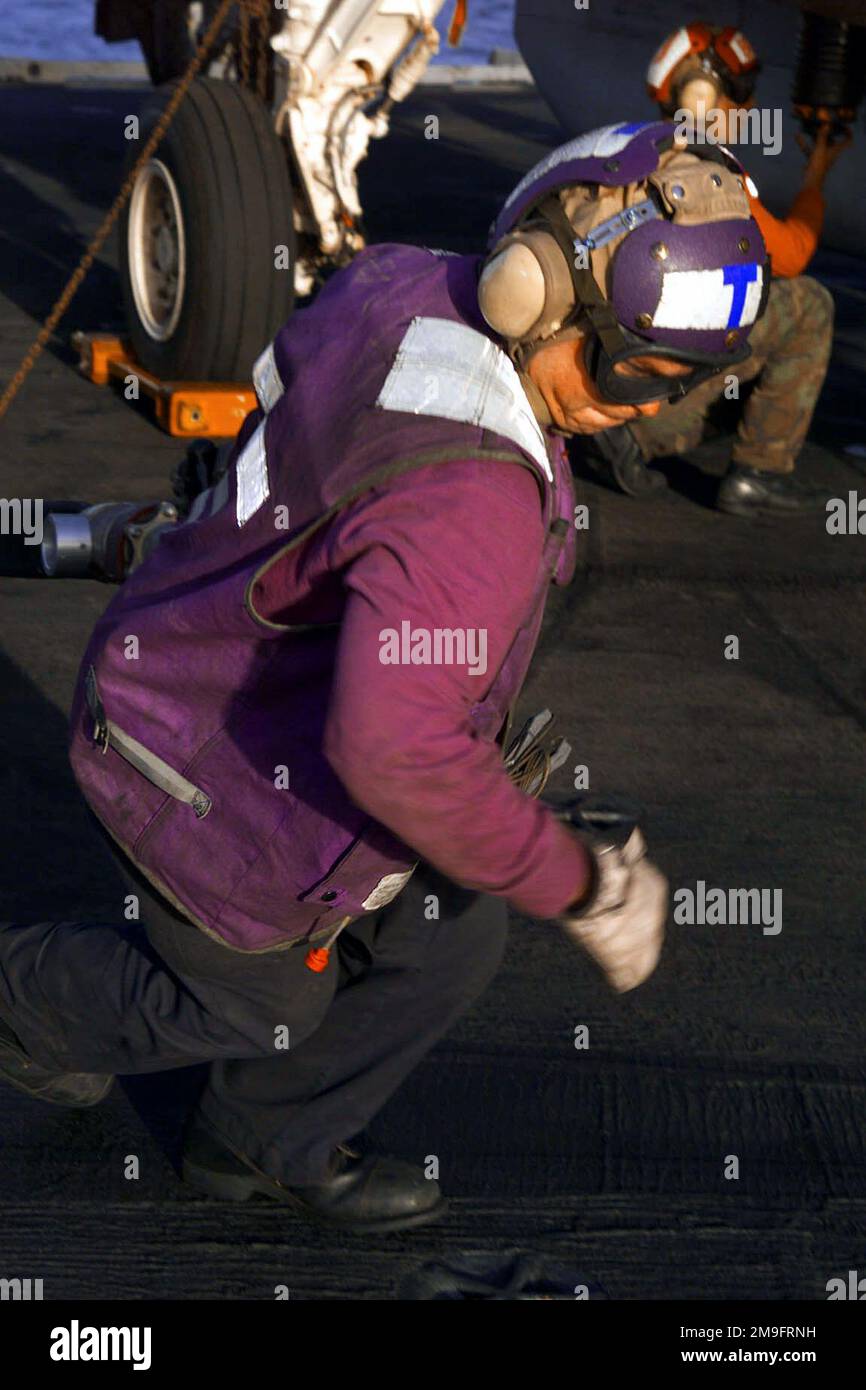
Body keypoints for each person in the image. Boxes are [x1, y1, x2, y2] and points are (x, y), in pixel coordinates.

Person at [0, 123, 767, 1232]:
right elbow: (392, 748)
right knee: (255, 993)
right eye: (628, 367)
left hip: (242, 681)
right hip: (195, 750)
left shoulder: (398, 282)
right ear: (531, 293)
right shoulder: (476, 503)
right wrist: (582, 887)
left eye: (684, 383)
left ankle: (263, 1140)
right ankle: (31, 1007)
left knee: (450, 931)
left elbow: (295, 434)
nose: (646, 405)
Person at [581, 24, 850, 516]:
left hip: (597, 380)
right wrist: (816, 180)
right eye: (740, 96)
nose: (748, 109)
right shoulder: (717, 173)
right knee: (808, 303)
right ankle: (757, 473)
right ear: (706, 102)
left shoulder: (627, 150)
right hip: (650, 393)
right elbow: (791, 255)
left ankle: (619, 428)